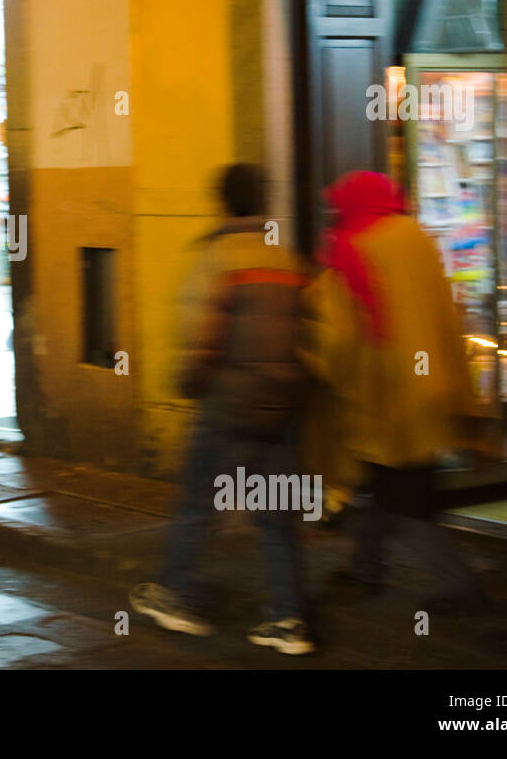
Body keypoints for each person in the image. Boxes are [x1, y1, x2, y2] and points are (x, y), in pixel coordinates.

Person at [129, 163, 316, 655]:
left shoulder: (217, 258)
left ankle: (177, 595)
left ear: (224, 202)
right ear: (263, 202)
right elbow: (317, 334)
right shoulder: (290, 260)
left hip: (227, 407)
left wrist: (189, 383)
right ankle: (288, 619)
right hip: (280, 410)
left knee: (198, 504)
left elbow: (201, 336)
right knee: (277, 514)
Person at [299, 170, 484, 608]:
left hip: (385, 395)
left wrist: (311, 358)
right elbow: (446, 313)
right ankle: (365, 567)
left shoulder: (351, 246)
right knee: (383, 488)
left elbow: (338, 339)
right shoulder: (415, 236)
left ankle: (461, 586)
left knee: (406, 500)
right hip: (429, 388)